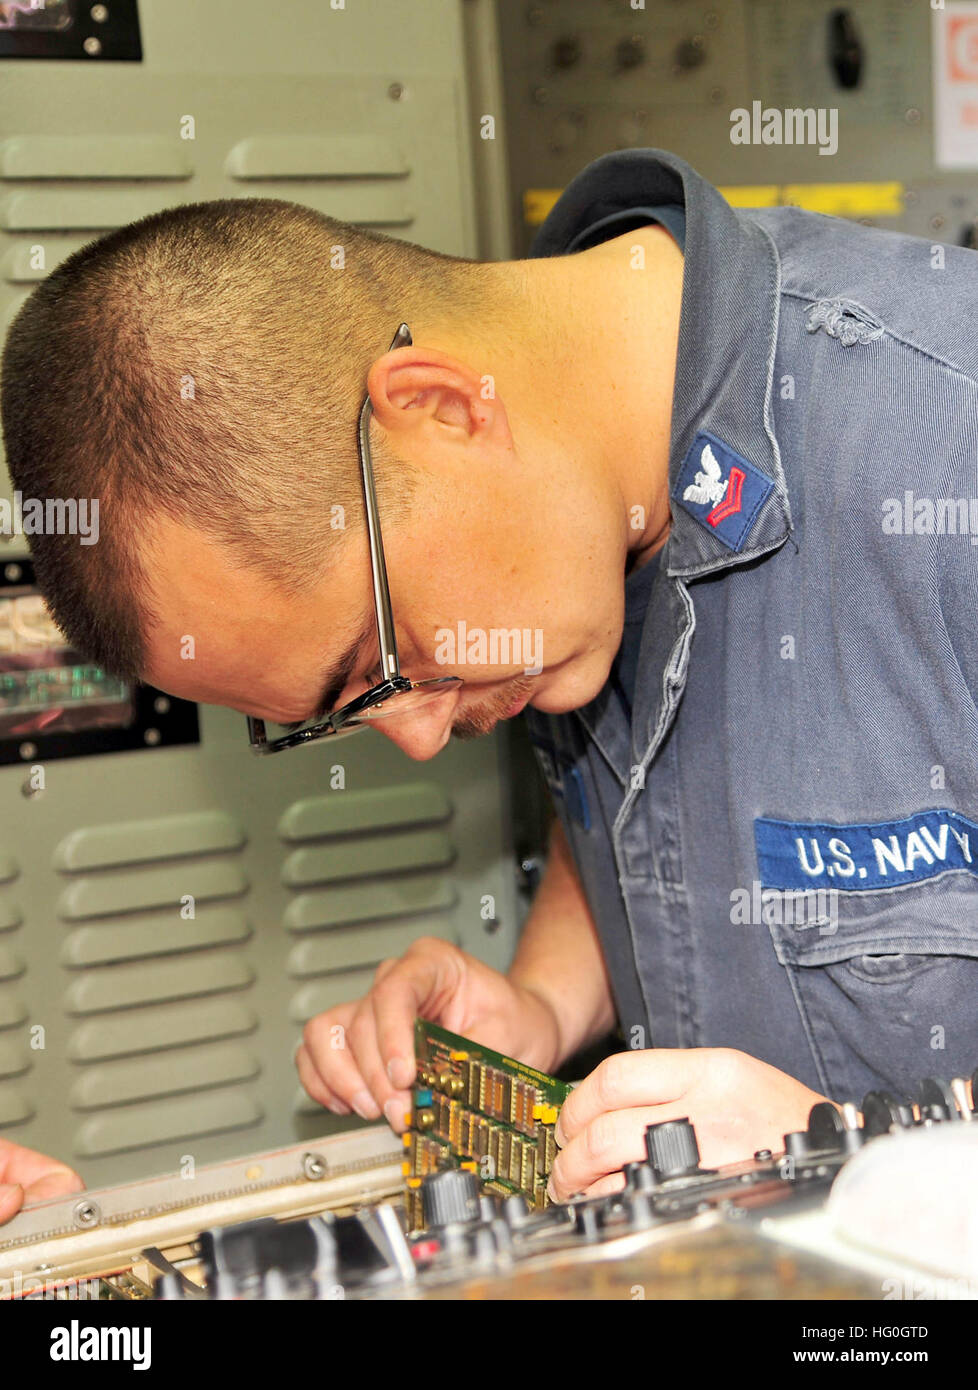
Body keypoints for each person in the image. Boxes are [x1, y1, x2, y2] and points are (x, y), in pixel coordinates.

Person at [3, 149, 977, 1209]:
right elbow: (685, 795)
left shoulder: (942, 444)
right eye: (350, 712)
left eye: (385, 662)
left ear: (442, 409)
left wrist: (860, 1146)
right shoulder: (559, 532)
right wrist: (545, 1005)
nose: (420, 737)